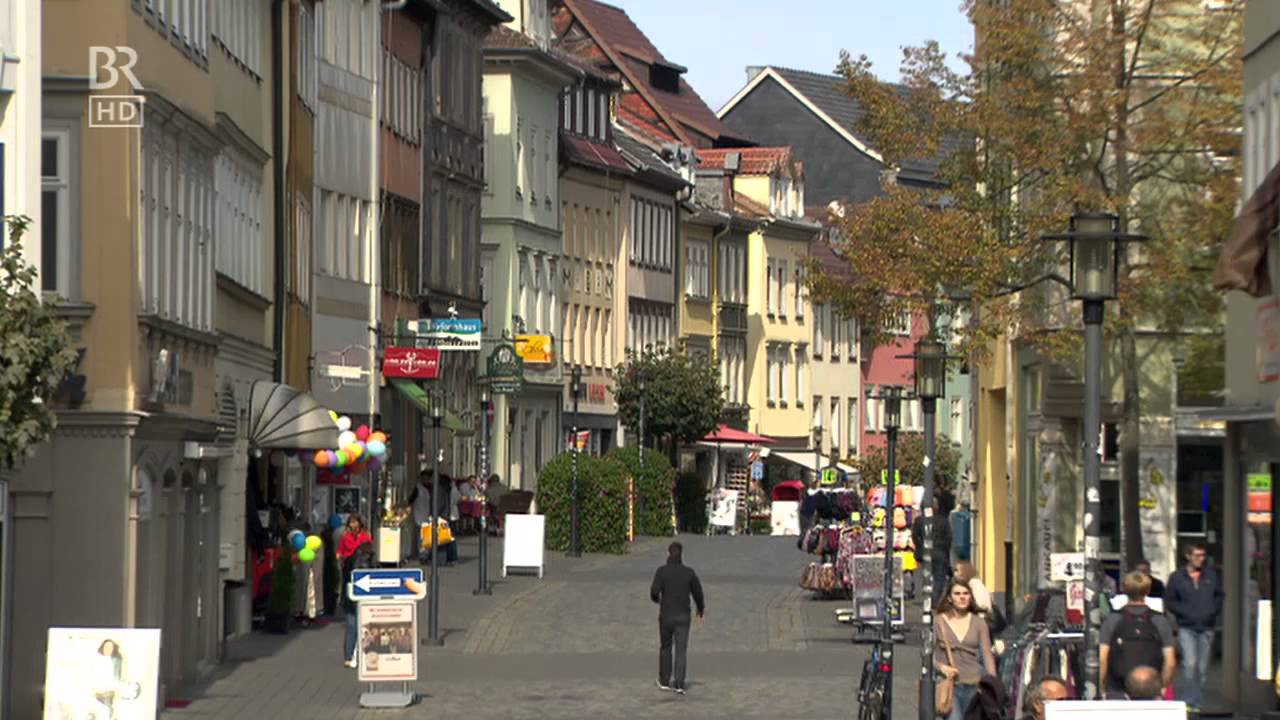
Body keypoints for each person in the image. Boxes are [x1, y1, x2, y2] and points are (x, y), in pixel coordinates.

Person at [1165, 542, 1223, 713]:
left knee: (1202, 667)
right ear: (1188, 556)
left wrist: (1212, 611)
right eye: (1197, 555)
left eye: (1203, 555)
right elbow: (1170, 600)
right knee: (1190, 664)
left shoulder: (1211, 575)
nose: (1200, 559)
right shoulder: (1177, 577)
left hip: (1207, 626)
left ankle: (1197, 701)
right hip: (1187, 626)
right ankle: (1189, 701)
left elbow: (1220, 595)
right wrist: (1184, 612)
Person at [1100, 571, 1176, 700]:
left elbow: (1102, 658)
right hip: (1150, 687)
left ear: (1124, 589)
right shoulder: (1159, 620)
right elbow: (1170, 662)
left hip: (1117, 687)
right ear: (1148, 591)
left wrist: (1102, 687)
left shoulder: (1113, 619)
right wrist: (1162, 687)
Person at [935, 578, 996, 720]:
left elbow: (987, 655)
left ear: (970, 597)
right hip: (950, 684)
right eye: (957, 594)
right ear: (950, 598)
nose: (962, 597)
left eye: (965, 593)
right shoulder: (939, 621)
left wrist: (992, 684)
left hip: (975, 684)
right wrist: (942, 668)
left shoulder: (979, 623)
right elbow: (927, 654)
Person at [649, 541, 705, 695]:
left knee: (666, 647)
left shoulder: (662, 571)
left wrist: (658, 600)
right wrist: (701, 609)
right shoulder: (689, 572)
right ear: (681, 555)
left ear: (668, 554)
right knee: (681, 650)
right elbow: (698, 593)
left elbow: (654, 591)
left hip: (666, 615)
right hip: (683, 616)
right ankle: (680, 684)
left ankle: (664, 681)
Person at [338, 514, 375, 668]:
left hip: (355, 584)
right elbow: (340, 552)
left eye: (355, 522)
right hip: (352, 583)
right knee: (354, 623)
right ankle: (351, 655)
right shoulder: (346, 538)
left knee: (355, 623)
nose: (353, 525)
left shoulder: (366, 537)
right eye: (351, 523)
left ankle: (357, 654)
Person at [913, 498, 953, 603]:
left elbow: (914, 536)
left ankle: (922, 597)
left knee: (922, 574)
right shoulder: (943, 521)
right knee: (939, 577)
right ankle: (935, 598)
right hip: (939, 552)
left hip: (923, 553)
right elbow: (948, 538)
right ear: (937, 507)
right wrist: (944, 549)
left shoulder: (919, 520)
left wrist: (919, 546)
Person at [954, 562, 1006, 636]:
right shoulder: (969, 584)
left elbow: (981, 605)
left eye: (957, 570)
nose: (955, 574)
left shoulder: (975, 584)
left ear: (965, 571)